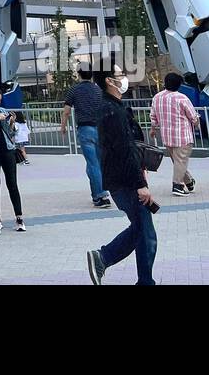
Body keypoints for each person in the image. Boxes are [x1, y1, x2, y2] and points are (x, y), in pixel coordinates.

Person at [87, 66, 158, 286]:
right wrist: (140, 183)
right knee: (145, 233)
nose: (125, 79)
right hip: (125, 180)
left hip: (120, 178)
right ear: (110, 80)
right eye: (120, 75)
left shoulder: (111, 107)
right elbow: (124, 150)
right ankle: (104, 257)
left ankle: (139, 277)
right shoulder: (112, 110)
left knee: (142, 230)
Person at [60, 70, 112, 208]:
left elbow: (66, 110)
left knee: (92, 163)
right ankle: (97, 195)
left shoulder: (74, 90)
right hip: (101, 128)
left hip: (85, 129)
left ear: (79, 74)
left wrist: (63, 126)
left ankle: (101, 196)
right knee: (99, 163)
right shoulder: (98, 89)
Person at [150, 73, 200, 195]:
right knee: (180, 161)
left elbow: (153, 116)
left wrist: (153, 129)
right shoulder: (181, 98)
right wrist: (197, 122)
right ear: (179, 85)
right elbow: (193, 116)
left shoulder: (157, 97)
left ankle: (188, 182)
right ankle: (177, 186)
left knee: (178, 161)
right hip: (182, 135)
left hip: (167, 136)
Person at [0, 88, 25, 232]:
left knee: (12, 184)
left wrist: (12, 123)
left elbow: (11, 133)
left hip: (8, 150)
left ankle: (19, 218)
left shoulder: (3, 110)